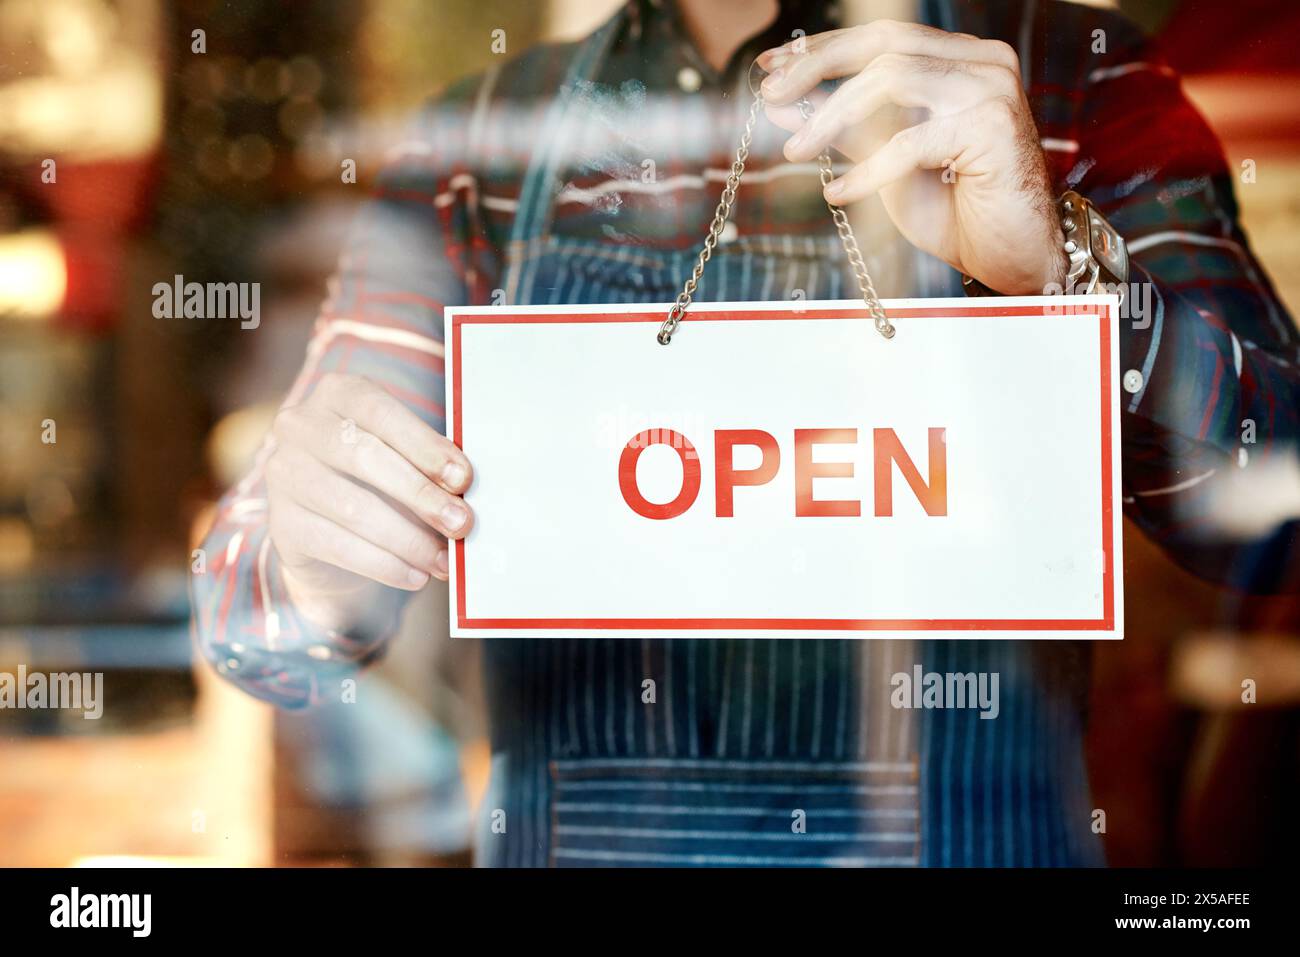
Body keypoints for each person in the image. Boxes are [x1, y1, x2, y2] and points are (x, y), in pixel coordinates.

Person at [191, 0, 1300, 866]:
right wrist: (313, 555)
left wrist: (1063, 272)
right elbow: (253, 610)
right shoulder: (477, 145)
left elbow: (1280, 509)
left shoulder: (1077, 80)